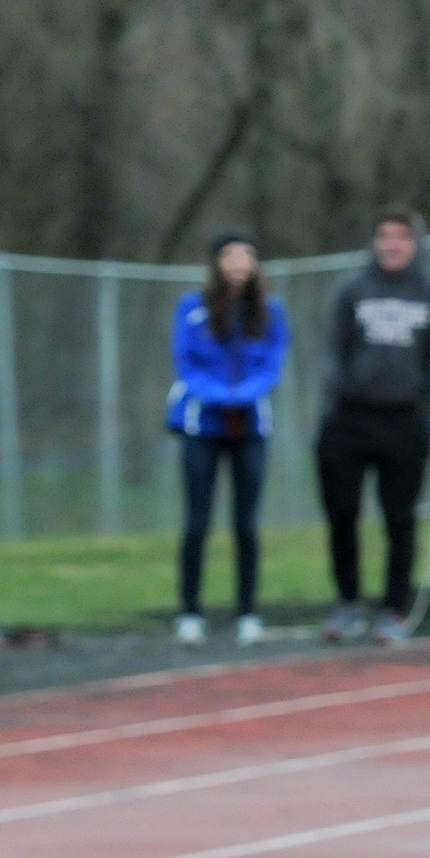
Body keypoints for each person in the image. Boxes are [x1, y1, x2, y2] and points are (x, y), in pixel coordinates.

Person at [316, 206, 430, 645]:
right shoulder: (353, 291)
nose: (392, 245)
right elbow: (333, 352)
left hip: (405, 422)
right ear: (374, 242)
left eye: (401, 237)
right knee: (342, 514)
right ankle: (348, 604)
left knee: (399, 518)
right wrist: (335, 402)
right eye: (384, 236)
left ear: (414, 244)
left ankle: (394, 609)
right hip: (350, 419)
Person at [167, 234, 291, 646]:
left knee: (246, 524)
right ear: (216, 262)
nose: (239, 262)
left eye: (248, 255)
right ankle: (189, 612)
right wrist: (222, 398)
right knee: (197, 522)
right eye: (230, 254)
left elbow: (272, 365)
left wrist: (245, 396)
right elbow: (187, 364)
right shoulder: (192, 308)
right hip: (202, 426)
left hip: (251, 427)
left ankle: (248, 613)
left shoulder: (271, 311)